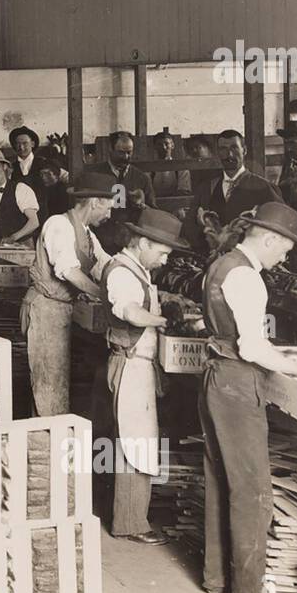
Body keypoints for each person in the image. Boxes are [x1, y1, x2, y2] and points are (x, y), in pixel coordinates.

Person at [198, 202, 297, 593]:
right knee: (252, 490)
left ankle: (215, 578)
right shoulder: (247, 277)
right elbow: (252, 347)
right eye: (284, 249)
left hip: (214, 377)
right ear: (269, 238)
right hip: (237, 381)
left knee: (219, 478)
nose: (283, 259)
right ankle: (249, 592)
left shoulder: (219, 264)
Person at [102, 209, 188, 544]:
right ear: (142, 242)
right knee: (134, 443)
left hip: (140, 364)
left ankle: (132, 517)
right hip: (130, 365)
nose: (165, 260)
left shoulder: (135, 269)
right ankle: (131, 523)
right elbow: (129, 311)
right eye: (162, 252)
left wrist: (166, 300)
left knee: (138, 441)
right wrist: (161, 321)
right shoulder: (122, 273)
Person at [23, 170, 114, 415]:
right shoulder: (58, 225)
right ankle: (44, 445)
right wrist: (105, 296)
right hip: (45, 311)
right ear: (95, 202)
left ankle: (50, 439)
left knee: (55, 382)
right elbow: (70, 272)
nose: (110, 214)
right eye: (108, 207)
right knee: (48, 385)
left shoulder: (87, 234)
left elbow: (105, 264)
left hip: (61, 312)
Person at [183, 130, 281, 251]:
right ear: (218, 153)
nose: (229, 154)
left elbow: (279, 228)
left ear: (244, 150)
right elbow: (189, 228)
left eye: (234, 148)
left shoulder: (264, 187)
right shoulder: (206, 188)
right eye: (223, 149)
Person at [88, 131, 157, 253]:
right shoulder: (95, 174)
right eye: (121, 152)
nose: (126, 157)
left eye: (129, 152)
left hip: (131, 243)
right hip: (102, 241)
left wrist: (142, 205)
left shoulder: (141, 178)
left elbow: (152, 211)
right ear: (110, 149)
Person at [150, 128, 191, 197]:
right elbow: (148, 192)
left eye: (166, 144)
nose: (163, 147)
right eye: (159, 144)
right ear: (155, 147)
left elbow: (184, 191)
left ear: (172, 145)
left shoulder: (181, 168)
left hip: (177, 205)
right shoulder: (150, 169)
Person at [9, 126, 42, 193]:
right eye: (18, 144)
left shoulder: (43, 162)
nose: (21, 147)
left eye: (25, 143)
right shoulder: (11, 167)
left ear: (32, 144)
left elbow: (62, 175)